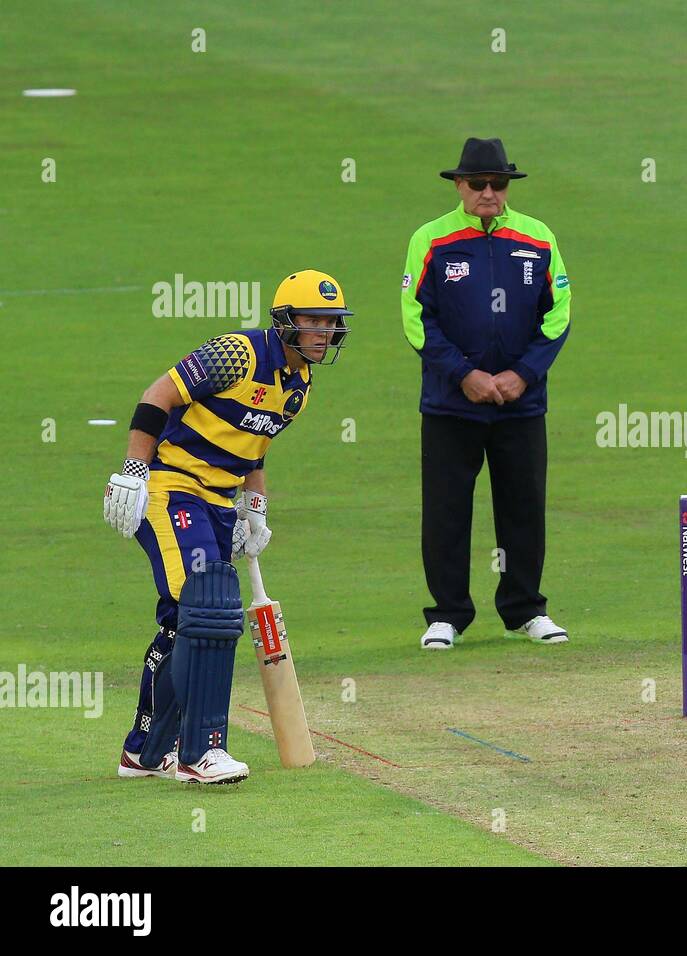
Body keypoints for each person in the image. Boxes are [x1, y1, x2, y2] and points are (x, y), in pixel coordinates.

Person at [103, 271, 351, 783]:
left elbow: (253, 443)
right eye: (313, 321)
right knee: (206, 610)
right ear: (285, 322)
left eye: (331, 323)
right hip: (171, 488)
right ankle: (201, 753)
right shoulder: (236, 354)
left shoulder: (299, 386)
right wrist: (132, 471)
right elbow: (158, 395)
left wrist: (253, 504)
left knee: (186, 621)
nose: (323, 333)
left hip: (217, 502)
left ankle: (145, 752)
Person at [401, 137, 571, 651]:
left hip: (521, 404)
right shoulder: (431, 240)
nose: (489, 194)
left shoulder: (537, 238)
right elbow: (416, 317)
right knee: (447, 508)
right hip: (451, 404)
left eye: (498, 184)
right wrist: (464, 375)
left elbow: (558, 312)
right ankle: (447, 614)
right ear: (459, 185)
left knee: (524, 505)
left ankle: (524, 610)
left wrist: (522, 374)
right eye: (478, 184)